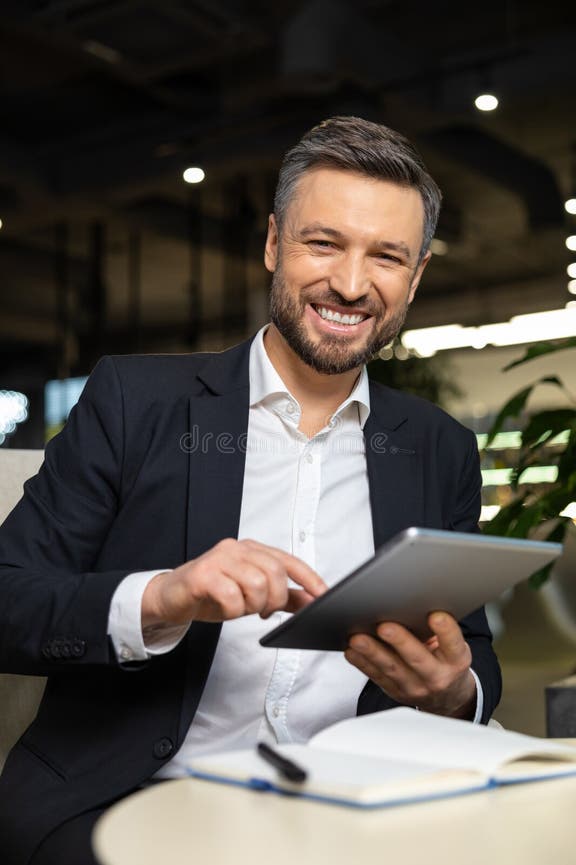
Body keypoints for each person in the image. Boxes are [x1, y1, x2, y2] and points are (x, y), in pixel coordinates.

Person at [0, 116, 501, 865]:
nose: (351, 284)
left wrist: (452, 693)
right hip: (135, 801)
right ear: (273, 243)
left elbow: (472, 651)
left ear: (417, 275)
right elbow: (8, 599)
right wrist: (162, 597)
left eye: (386, 256)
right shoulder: (135, 402)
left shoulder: (441, 449)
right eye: (322, 243)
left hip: (359, 812)